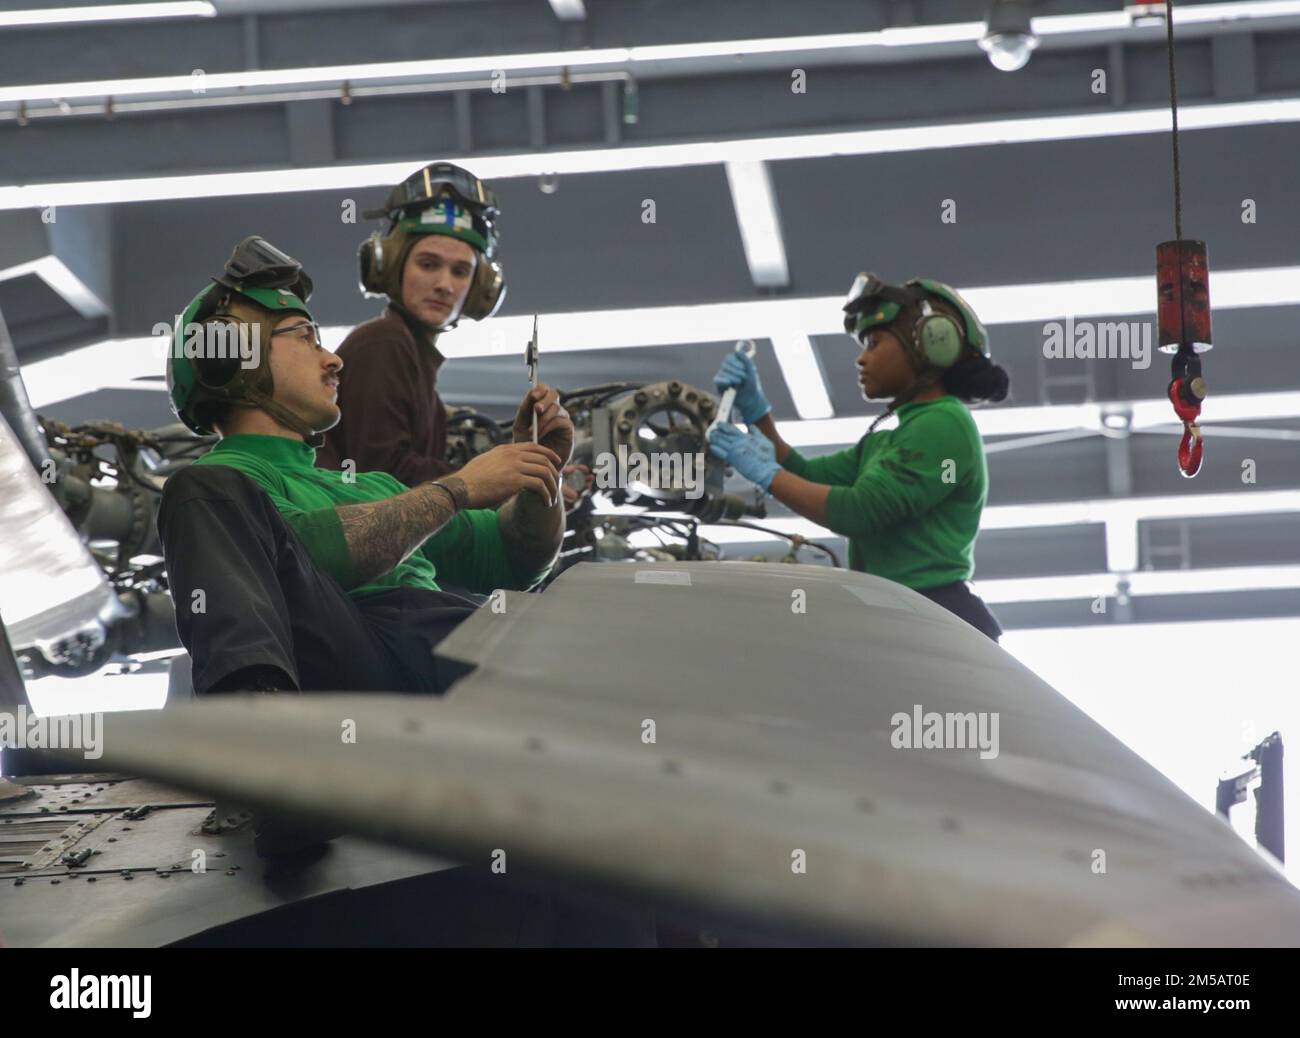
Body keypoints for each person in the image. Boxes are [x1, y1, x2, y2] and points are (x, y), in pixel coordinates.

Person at [159, 236, 570, 697]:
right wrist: (456, 489)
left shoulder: (375, 486)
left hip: (450, 656)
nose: (334, 360)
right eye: (306, 337)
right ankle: (257, 713)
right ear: (233, 354)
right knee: (199, 491)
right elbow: (310, 557)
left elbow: (515, 561)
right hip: (356, 657)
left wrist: (540, 476)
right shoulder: (229, 487)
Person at [707, 273, 1009, 641]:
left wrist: (763, 471)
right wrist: (755, 411)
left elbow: (859, 512)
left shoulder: (943, 423)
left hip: (932, 617)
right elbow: (808, 476)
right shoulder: (899, 430)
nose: (861, 360)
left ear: (930, 345)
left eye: (875, 343)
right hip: (910, 614)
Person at [314, 162, 505, 484]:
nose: (445, 284)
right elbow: (387, 479)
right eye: (428, 264)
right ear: (390, 267)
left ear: (480, 287)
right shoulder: (383, 344)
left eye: (460, 271)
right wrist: (500, 481)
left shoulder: (411, 359)